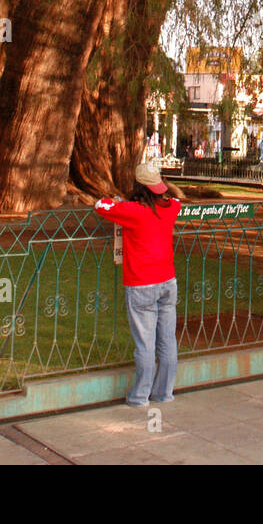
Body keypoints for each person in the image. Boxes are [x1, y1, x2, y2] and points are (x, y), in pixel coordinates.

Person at [94, 164, 186, 407]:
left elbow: (100, 205)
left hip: (141, 284)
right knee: (167, 340)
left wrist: (118, 199)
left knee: (145, 343)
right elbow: (177, 197)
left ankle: (140, 396)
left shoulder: (132, 211)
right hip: (167, 281)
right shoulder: (171, 208)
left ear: (138, 187)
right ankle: (164, 393)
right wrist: (163, 186)